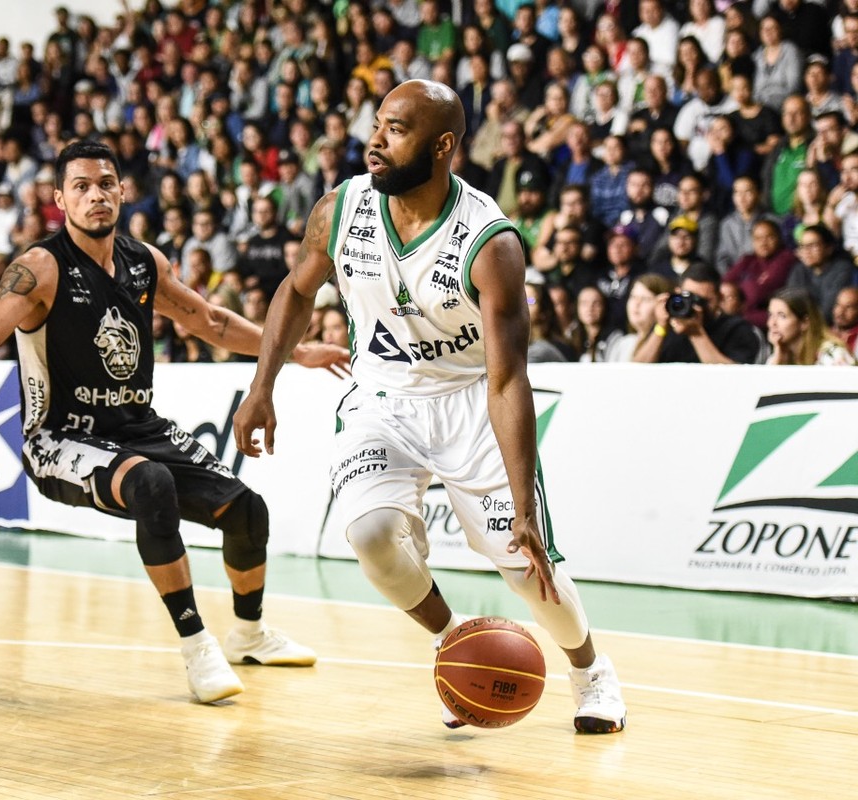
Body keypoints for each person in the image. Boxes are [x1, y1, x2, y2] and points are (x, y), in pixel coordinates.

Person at [232, 80, 626, 734]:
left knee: (530, 569)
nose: (376, 140)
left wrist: (525, 505)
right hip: (382, 400)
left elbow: (507, 382)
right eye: (379, 124)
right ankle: (457, 646)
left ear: (443, 146)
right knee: (372, 537)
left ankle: (591, 672)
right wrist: (261, 386)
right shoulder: (341, 209)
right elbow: (296, 292)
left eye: (397, 130)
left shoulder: (490, 243)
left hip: (470, 403)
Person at [0, 140, 351, 704]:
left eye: (105, 183)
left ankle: (249, 633)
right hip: (59, 436)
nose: (95, 194)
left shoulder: (144, 260)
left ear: (122, 191)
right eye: (81, 186)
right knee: (152, 483)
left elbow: (212, 321)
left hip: (135, 426)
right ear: (59, 199)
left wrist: (296, 350)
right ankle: (197, 646)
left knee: (246, 510)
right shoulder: (41, 267)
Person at [632, 263, 763, 364]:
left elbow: (733, 378)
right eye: (689, 297)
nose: (696, 306)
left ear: (720, 298)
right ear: (677, 292)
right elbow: (636, 372)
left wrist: (696, 333)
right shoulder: (665, 327)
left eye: (704, 301)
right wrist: (660, 327)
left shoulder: (737, 329)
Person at [766, 288, 858, 366]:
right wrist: (778, 357)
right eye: (770, 315)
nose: (772, 323)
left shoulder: (833, 355)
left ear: (805, 322)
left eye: (782, 316)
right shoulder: (779, 352)